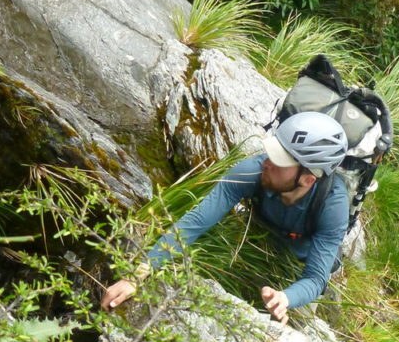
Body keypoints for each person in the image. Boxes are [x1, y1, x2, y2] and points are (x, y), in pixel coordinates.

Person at [100, 112, 350, 325]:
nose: (267, 163)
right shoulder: (252, 171)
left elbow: (316, 278)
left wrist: (285, 298)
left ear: (308, 179)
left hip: (301, 254)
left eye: (280, 161)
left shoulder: (333, 207)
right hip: (261, 231)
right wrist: (135, 276)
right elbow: (195, 222)